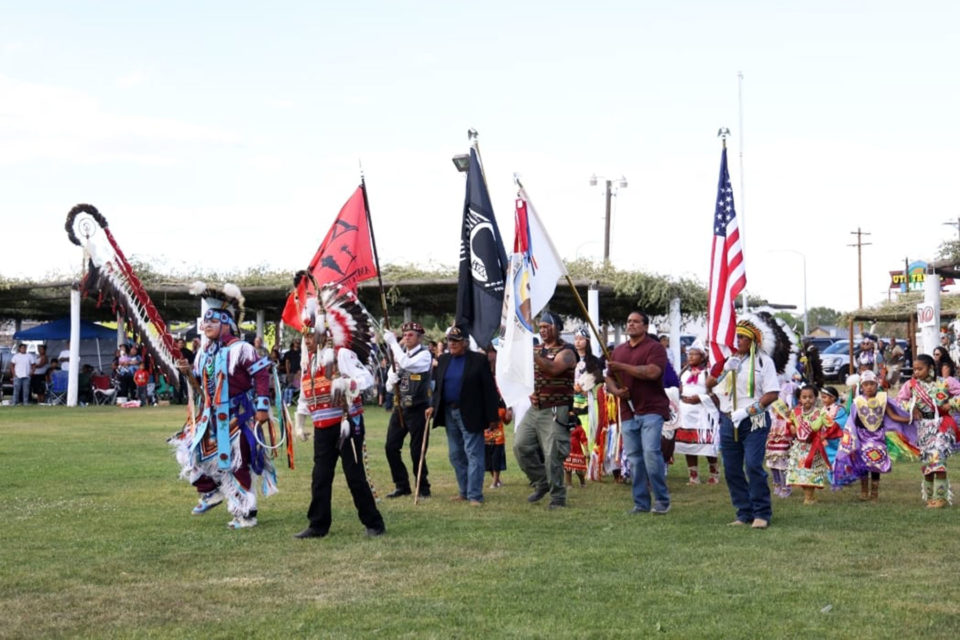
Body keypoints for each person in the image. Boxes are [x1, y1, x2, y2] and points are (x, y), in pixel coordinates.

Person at [171, 283, 276, 530]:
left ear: (226, 323)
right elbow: (200, 388)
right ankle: (212, 492)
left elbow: (261, 374)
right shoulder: (204, 353)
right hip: (210, 416)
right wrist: (187, 374)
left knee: (237, 465)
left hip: (237, 417)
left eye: (212, 322)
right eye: (204, 323)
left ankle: (246, 514)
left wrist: (262, 407)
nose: (206, 326)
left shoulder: (241, 349)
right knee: (188, 451)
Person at [293, 288, 385, 539]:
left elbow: (366, 378)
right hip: (323, 427)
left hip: (347, 423)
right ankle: (317, 525)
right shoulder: (309, 364)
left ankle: (373, 523)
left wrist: (348, 385)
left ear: (323, 333)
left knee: (354, 475)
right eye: (305, 337)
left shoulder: (341, 354)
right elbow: (304, 397)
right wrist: (299, 424)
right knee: (320, 477)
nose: (308, 341)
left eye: (311, 336)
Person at [706, 315, 781, 529]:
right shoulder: (728, 359)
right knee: (731, 468)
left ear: (752, 341)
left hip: (754, 418)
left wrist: (748, 411)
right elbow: (709, 384)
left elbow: (772, 393)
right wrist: (724, 369)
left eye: (741, 337)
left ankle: (761, 512)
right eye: (735, 337)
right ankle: (743, 512)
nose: (737, 341)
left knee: (753, 464)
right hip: (729, 418)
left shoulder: (763, 361)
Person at [605, 310, 671, 515]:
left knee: (651, 453)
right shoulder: (618, 351)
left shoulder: (655, 349)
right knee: (634, 458)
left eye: (635, 322)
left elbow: (652, 372)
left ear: (645, 326)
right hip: (627, 411)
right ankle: (641, 503)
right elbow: (609, 378)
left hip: (652, 408)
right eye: (628, 321)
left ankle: (661, 500)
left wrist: (622, 366)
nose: (631, 324)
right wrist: (616, 391)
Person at [427, 325, 500, 506]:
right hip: (449, 412)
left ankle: (475, 495)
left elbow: (489, 390)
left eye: (456, 341)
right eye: (450, 340)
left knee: (473, 453)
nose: (452, 344)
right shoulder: (443, 360)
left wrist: (492, 416)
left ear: (465, 343)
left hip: (471, 412)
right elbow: (438, 388)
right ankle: (464, 491)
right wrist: (432, 407)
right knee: (455, 454)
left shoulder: (478, 360)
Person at [514, 311, 578, 509]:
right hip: (536, 408)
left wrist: (532, 354)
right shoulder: (538, 349)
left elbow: (553, 369)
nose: (542, 330)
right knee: (520, 446)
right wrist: (529, 391)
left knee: (552, 454)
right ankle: (541, 482)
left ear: (557, 328)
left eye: (546, 327)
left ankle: (558, 498)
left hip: (555, 409)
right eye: (540, 327)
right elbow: (526, 375)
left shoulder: (567, 351)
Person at [832, 370, 910, 501]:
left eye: (872, 384)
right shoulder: (858, 401)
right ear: (861, 387)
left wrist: (909, 419)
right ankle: (864, 492)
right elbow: (852, 421)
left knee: (875, 463)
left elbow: (893, 416)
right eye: (866, 384)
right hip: (862, 436)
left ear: (876, 385)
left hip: (877, 436)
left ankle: (874, 493)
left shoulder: (882, 399)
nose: (869, 387)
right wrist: (851, 437)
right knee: (863, 463)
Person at [896, 354, 960, 508]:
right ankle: (931, 496)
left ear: (931, 368)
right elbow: (900, 401)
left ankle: (941, 498)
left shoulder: (945, 383)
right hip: (923, 426)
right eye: (915, 369)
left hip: (943, 424)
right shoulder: (911, 385)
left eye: (920, 369)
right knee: (927, 462)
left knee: (938, 458)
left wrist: (951, 403)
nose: (916, 372)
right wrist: (912, 407)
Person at [382, 321, 434, 499]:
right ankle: (401, 485)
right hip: (400, 407)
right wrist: (393, 378)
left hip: (418, 408)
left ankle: (423, 486)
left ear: (419, 338)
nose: (406, 337)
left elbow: (407, 364)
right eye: (404, 335)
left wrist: (393, 343)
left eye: (410, 335)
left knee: (416, 449)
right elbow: (389, 386)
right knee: (391, 446)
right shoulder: (399, 355)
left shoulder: (424, 355)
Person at [674, 340, 721, 485]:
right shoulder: (684, 372)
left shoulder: (708, 373)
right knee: (688, 445)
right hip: (686, 413)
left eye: (695, 354)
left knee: (706, 444)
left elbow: (716, 393)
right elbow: (679, 389)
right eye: (689, 354)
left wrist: (700, 398)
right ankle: (693, 476)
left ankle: (714, 474)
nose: (691, 357)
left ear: (703, 357)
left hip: (702, 413)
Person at [785, 384, 841, 505]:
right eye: (804, 397)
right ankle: (809, 496)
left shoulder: (820, 413)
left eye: (811, 397)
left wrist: (823, 435)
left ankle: (809, 497)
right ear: (799, 399)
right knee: (801, 473)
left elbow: (833, 427)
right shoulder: (796, 412)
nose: (807, 400)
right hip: (799, 448)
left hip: (813, 448)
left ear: (816, 398)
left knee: (810, 472)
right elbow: (790, 423)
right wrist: (792, 427)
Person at [282, 339, 302, 405]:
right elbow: (287, 363)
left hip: (299, 373)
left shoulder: (301, 352)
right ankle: (285, 402)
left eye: (299, 343)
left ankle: (291, 402)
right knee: (288, 387)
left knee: (296, 387)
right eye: (296, 342)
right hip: (291, 372)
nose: (297, 344)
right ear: (293, 343)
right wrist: (288, 373)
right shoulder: (289, 353)